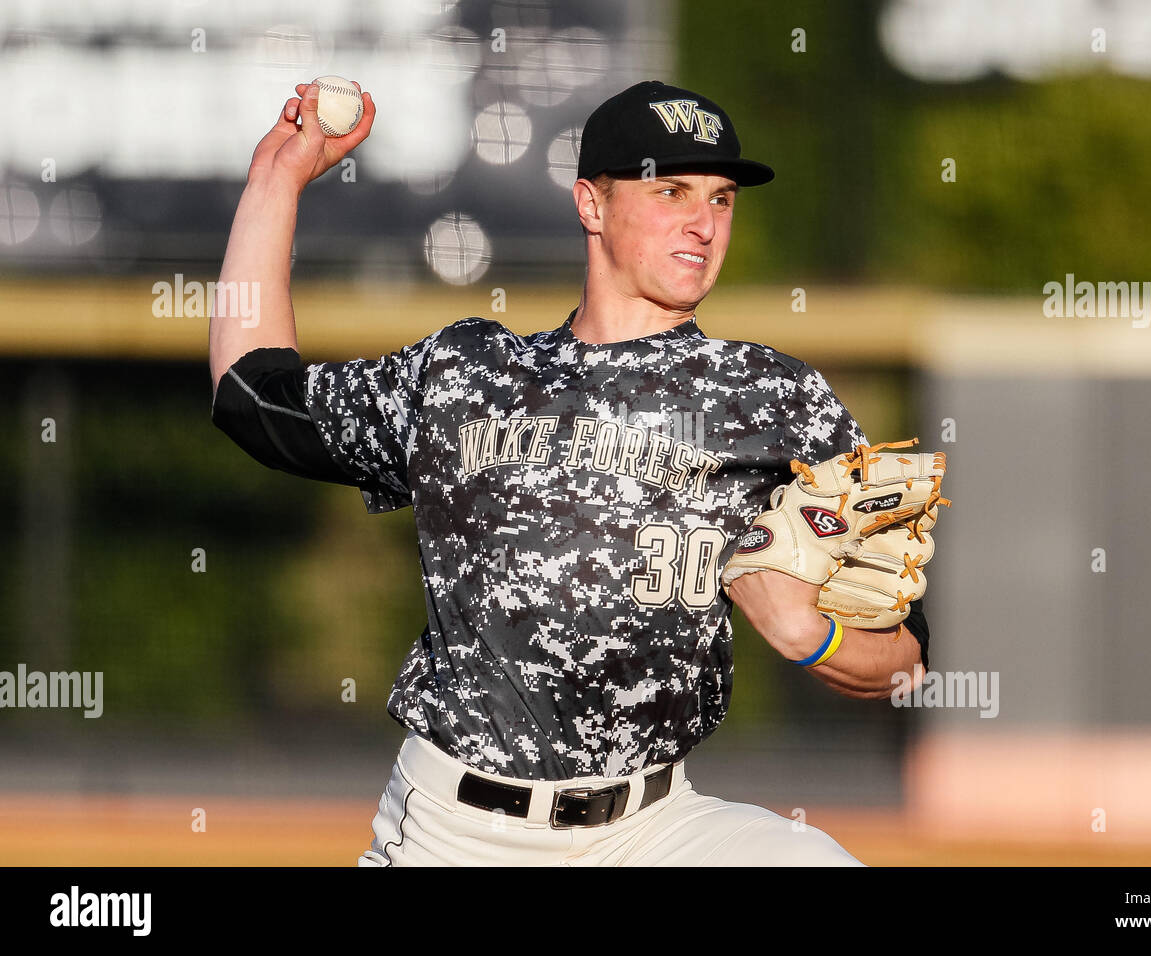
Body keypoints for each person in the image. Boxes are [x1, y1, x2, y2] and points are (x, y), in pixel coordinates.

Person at [209, 78, 930, 866]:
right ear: (591, 204)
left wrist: (813, 636)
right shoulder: (468, 372)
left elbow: (908, 659)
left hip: (655, 831)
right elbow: (256, 402)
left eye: (722, 198)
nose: (703, 222)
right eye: (671, 190)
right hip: (457, 833)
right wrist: (275, 179)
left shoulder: (775, 398)